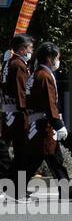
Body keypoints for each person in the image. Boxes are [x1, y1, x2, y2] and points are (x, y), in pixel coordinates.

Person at [18, 43, 71, 193]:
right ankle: (67, 192)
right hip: (44, 123)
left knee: (43, 159)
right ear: (50, 58)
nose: (58, 61)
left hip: (37, 122)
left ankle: (16, 189)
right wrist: (58, 124)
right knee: (51, 159)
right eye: (57, 58)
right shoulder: (45, 76)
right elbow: (50, 103)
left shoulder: (36, 74)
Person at [0, 35, 33, 197]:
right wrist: (28, 112)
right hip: (18, 114)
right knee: (22, 153)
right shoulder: (19, 65)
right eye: (29, 48)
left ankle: (10, 185)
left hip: (7, 112)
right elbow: (22, 92)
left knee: (14, 151)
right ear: (21, 49)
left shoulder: (8, 63)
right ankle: (16, 187)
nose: (31, 51)